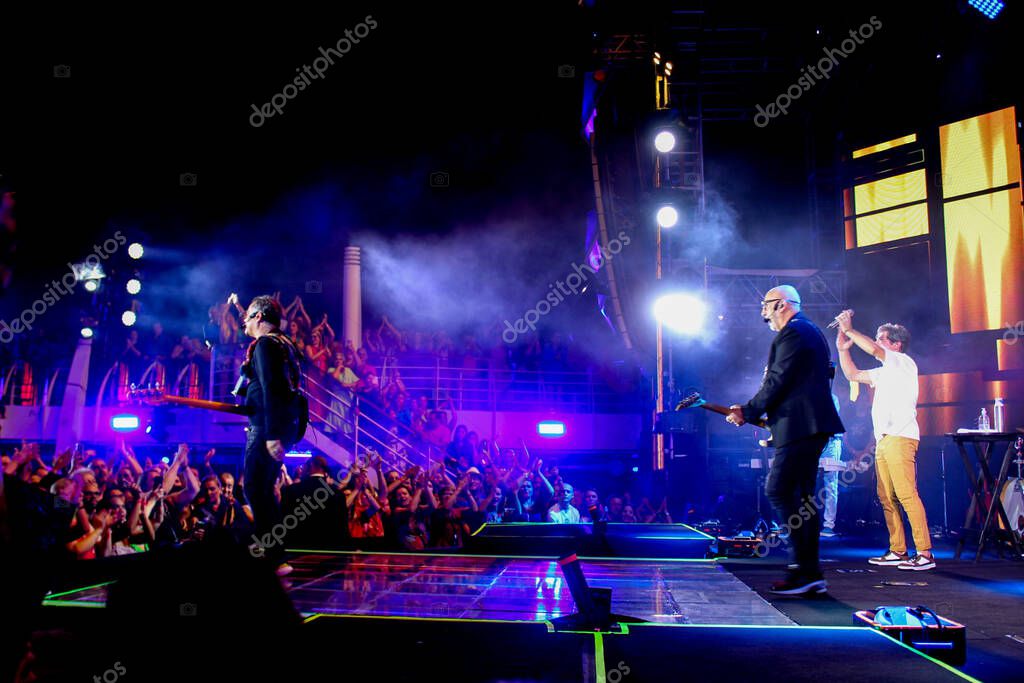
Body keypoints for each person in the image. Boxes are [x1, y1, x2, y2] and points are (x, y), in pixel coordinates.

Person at [726, 285, 844, 595]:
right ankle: (807, 571)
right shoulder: (809, 332)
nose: (763, 313)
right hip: (806, 425)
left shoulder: (794, 333)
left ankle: (803, 570)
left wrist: (749, 411)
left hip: (801, 426)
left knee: (779, 489)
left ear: (781, 305)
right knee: (801, 497)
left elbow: (778, 380)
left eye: (766, 307)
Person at [835, 311, 933, 571]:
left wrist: (851, 330)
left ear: (896, 344)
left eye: (882, 339)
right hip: (885, 439)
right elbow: (853, 375)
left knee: (906, 494)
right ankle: (898, 550)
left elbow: (874, 350)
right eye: (877, 338)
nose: (877, 343)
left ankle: (924, 552)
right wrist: (843, 349)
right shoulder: (883, 372)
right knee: (886, 496)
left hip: (901, 436)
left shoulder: (903, 361)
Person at [238, 294, 305, 576]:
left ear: (259, 317)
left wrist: (272, 434)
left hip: (268, 427)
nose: (243, 319)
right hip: (274, 425)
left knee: (254, 488)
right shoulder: (283, 344)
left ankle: (274, 556)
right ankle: (275, 555)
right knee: (262, 489)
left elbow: (273, 388)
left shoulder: (266, 343)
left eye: (248, 314)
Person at [818, 394, 844, 538]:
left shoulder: (831, 396)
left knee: (830, 483)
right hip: (812, 441)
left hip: (831, 442)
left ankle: (829, 525)